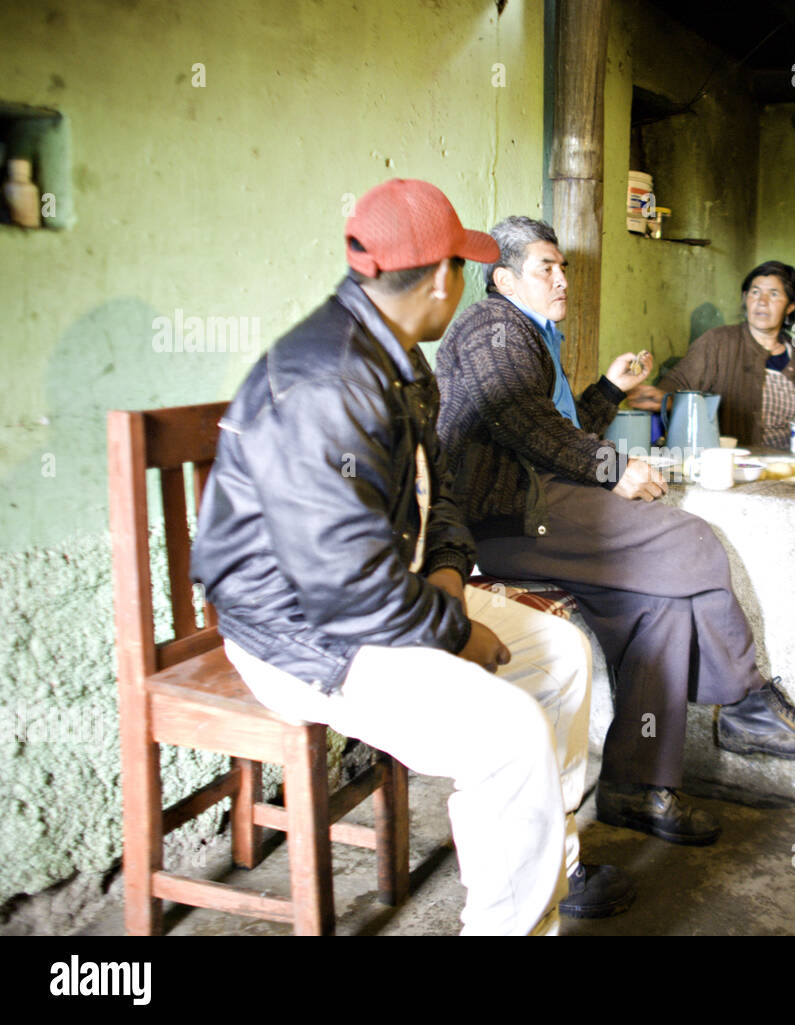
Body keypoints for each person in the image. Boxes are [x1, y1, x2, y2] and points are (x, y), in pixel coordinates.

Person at [191, 180, 634, 935]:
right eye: (462, 270)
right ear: (438, 280)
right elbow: (341, 590)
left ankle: (549, 868)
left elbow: (444, 490)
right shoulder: (327, 379)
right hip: (297, 638)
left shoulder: (398, 356)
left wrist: (450, 575)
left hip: (383, 598)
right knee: (508, 731)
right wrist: (456, 632)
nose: (461, 290)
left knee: (560, 656)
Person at [435, 216, 795, 846]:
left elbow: (551, 430)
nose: (562, 278)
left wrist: (608, 389)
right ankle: (745, 702)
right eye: (547, 266)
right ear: (504, 278)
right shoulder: (493, 326)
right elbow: (526, 426)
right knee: (692, 541)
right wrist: (611, 466)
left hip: (535, 507)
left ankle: (637, 788)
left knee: (662, 606)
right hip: (501, 522)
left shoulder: (531, 334)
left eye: (563, 266)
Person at [629, 261, 795, 449]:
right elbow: (677, 383)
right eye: (755, 292)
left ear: (790, 306)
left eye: (774, 294)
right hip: (734, 460)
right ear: (745, 298)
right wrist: (661, 398)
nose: (762, 301)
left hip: (793, 464)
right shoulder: (718, 342)